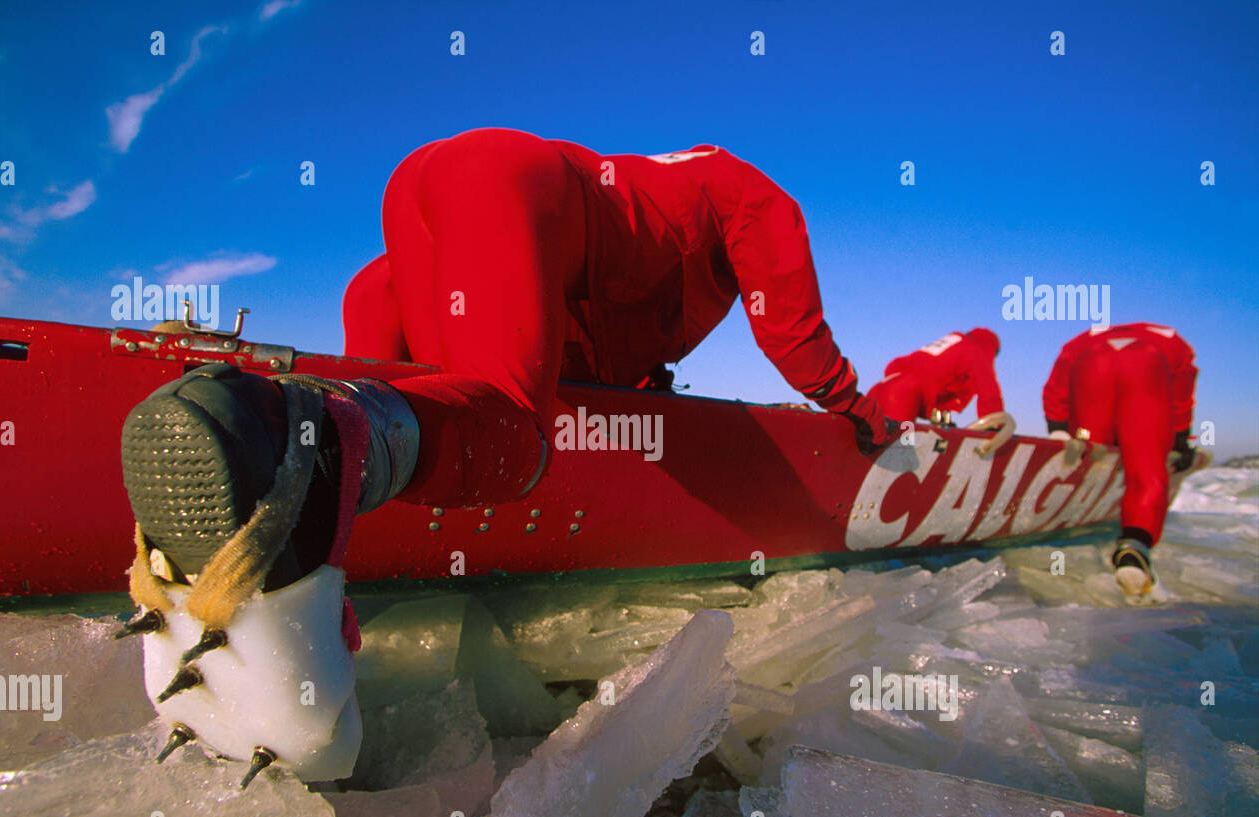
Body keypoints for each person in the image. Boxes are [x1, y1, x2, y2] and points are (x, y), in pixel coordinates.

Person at [120, 128, 896, 588]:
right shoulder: (757, 199)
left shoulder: (654, 199)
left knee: (431, 403)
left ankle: (272, 438)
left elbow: (569, 330)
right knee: (509, 430)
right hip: (505, 184)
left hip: (422, 193)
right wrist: (857, 407)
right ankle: (279, 454)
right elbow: (791, 334)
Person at [1041, 321, 1200, 598]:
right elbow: (1182, 392)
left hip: (1091, 366)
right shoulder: (1172, 339)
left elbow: (1057, 383)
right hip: (1148, 367)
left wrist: (1058, 429)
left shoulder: (1084, 338)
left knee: (1092, 451)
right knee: (1147, 467)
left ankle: (1073, 491)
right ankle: (1133, 547)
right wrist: (1179, 438)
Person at [865, 328, 1004, 426]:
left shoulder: (954, 344)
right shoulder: (977, 350)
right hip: (902, 395)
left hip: (879, 390)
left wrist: (940, 421)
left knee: (863, 454)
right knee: (898, 452)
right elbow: (988, 391)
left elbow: (927, 383)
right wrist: (995, 425)